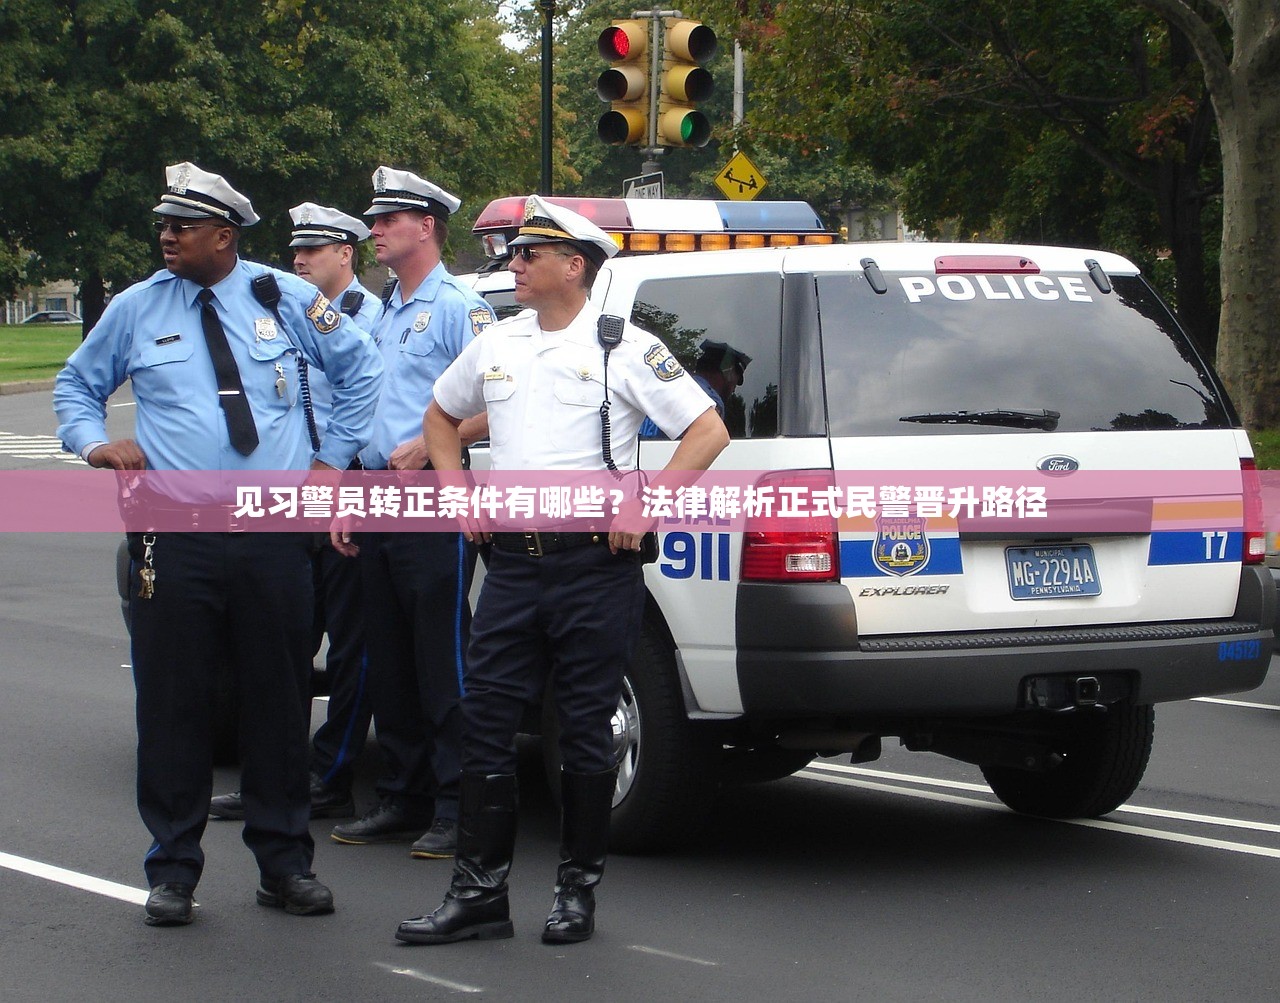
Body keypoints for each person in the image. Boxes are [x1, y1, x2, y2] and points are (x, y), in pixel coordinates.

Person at [53, 163, 383, 926]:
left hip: (272, 535)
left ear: (224, 236)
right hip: (177, 535)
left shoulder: (286, 296)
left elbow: (361, 368)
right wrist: (96, 443)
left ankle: (284, 864)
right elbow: (77, 387)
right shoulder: (136, 308)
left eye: (182, 226)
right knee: (174, 704)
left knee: (277, 698)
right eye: (164, 225)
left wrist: (331, 463)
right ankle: (171, 868)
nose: (166, 235)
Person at [400, 195, 729, 945]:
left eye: (527, 255)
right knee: (484, 722)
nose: (513, 265)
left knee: (583, 731)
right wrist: (458, 495)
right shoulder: (499, 344)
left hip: (592, 567)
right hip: (513, 565)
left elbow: (707, 427)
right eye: (513, 254)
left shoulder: (622, 345)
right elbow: (440, 418)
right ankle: (478, 894)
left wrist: (648, 506)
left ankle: (576, 894)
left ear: (573, 267)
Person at [328, 167, 495, 860]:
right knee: (388, 654)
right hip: (374, 493)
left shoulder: (459, 305)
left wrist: (440, 443)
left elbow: (504, 397)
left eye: (386, 219)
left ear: (425, 226)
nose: (374, 230)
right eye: (374, 220)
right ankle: (403, 793)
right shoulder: (382, 308)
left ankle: (460, 804)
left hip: (430, 497)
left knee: (440, 659)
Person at [208, 202, 381, 823]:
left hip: (346, 490)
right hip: (287, 497)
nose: (300, 261)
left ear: (346, 254)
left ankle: (331, 774)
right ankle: (267, 778)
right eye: (295, 251)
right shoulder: (280, 310)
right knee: (274, 646)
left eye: (314, 250)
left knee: (347, 646)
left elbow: (371, 401)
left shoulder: (369, 318)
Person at [638, 339, 751, 438]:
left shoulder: (667, 386)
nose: (734, 389)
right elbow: (704, 444)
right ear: (728, 373)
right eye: (735, 382)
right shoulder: (708, 402)